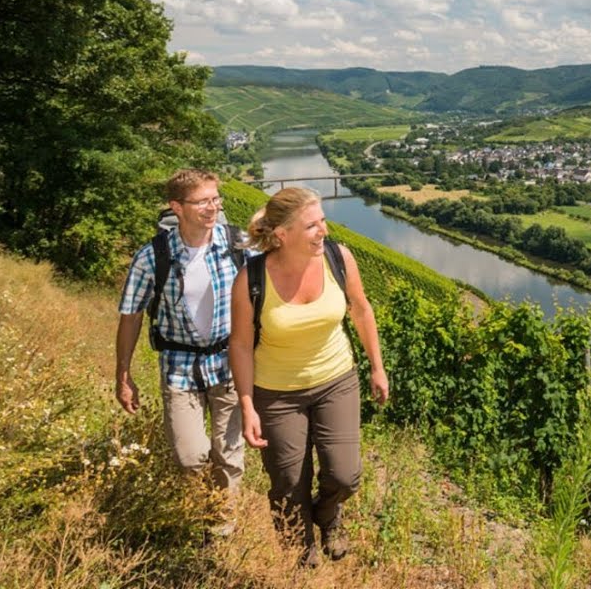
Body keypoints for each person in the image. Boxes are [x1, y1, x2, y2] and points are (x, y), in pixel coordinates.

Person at [229, 187, 389, 568]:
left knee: (345, 474)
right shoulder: (251, 279)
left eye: (323, 222)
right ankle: (300, 559)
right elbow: (238, 346)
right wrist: (248, 406)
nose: (324, 231)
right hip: (277, 392)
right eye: (312, 226)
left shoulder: (338, 257)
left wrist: (377, 367)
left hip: (336, 379)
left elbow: (362, 311)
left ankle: (328, 514)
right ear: (281, 234)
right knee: (287, 485)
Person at [115, 168, 245, 535]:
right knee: (190, 457)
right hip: (179, 368)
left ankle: (219, 530)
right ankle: (205, 507)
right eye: (203, 201)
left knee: (229, 456)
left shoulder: (238, 244)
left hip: (228, 364)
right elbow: (131, 316)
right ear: (177, 206)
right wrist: (123, 375)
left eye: (216, 199)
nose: (213, 207)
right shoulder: (152, 256)